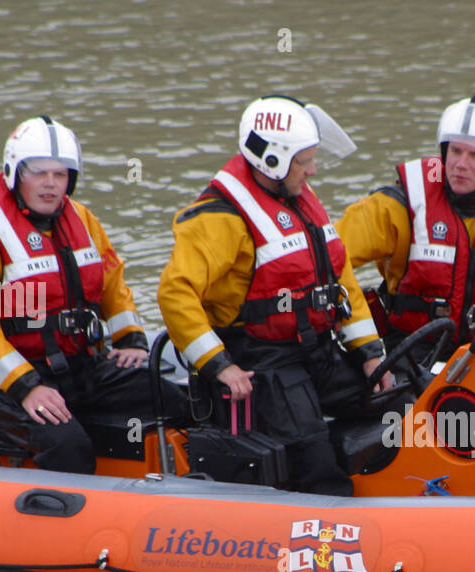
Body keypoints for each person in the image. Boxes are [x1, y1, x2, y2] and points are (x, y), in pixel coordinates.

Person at [158, 94, 392, 497]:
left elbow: (342, 283)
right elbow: (174, 293)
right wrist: (220, 366)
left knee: (402, 401)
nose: (313, 170)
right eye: (305, 161)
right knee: (315, 461)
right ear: (273, 161)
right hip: (263, 365)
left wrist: (371, 356)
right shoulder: (219, 216)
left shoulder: (296, 197)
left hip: (318, 353)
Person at [0, 115, 184, 473]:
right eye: (39, 172)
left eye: (61, 174)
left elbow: (112, 280)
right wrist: (27, 387)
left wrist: (131, 340)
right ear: (15, 172)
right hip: (5, 379)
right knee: (67, 447)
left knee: (173, 400)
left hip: (79, 364)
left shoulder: (80, 218)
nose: (50, 184)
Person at [336, 94, 475, 362]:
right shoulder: (400, 203)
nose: (460, 164)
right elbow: (330, 257)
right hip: (411, 351)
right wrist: (366, 344)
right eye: (455, 151)